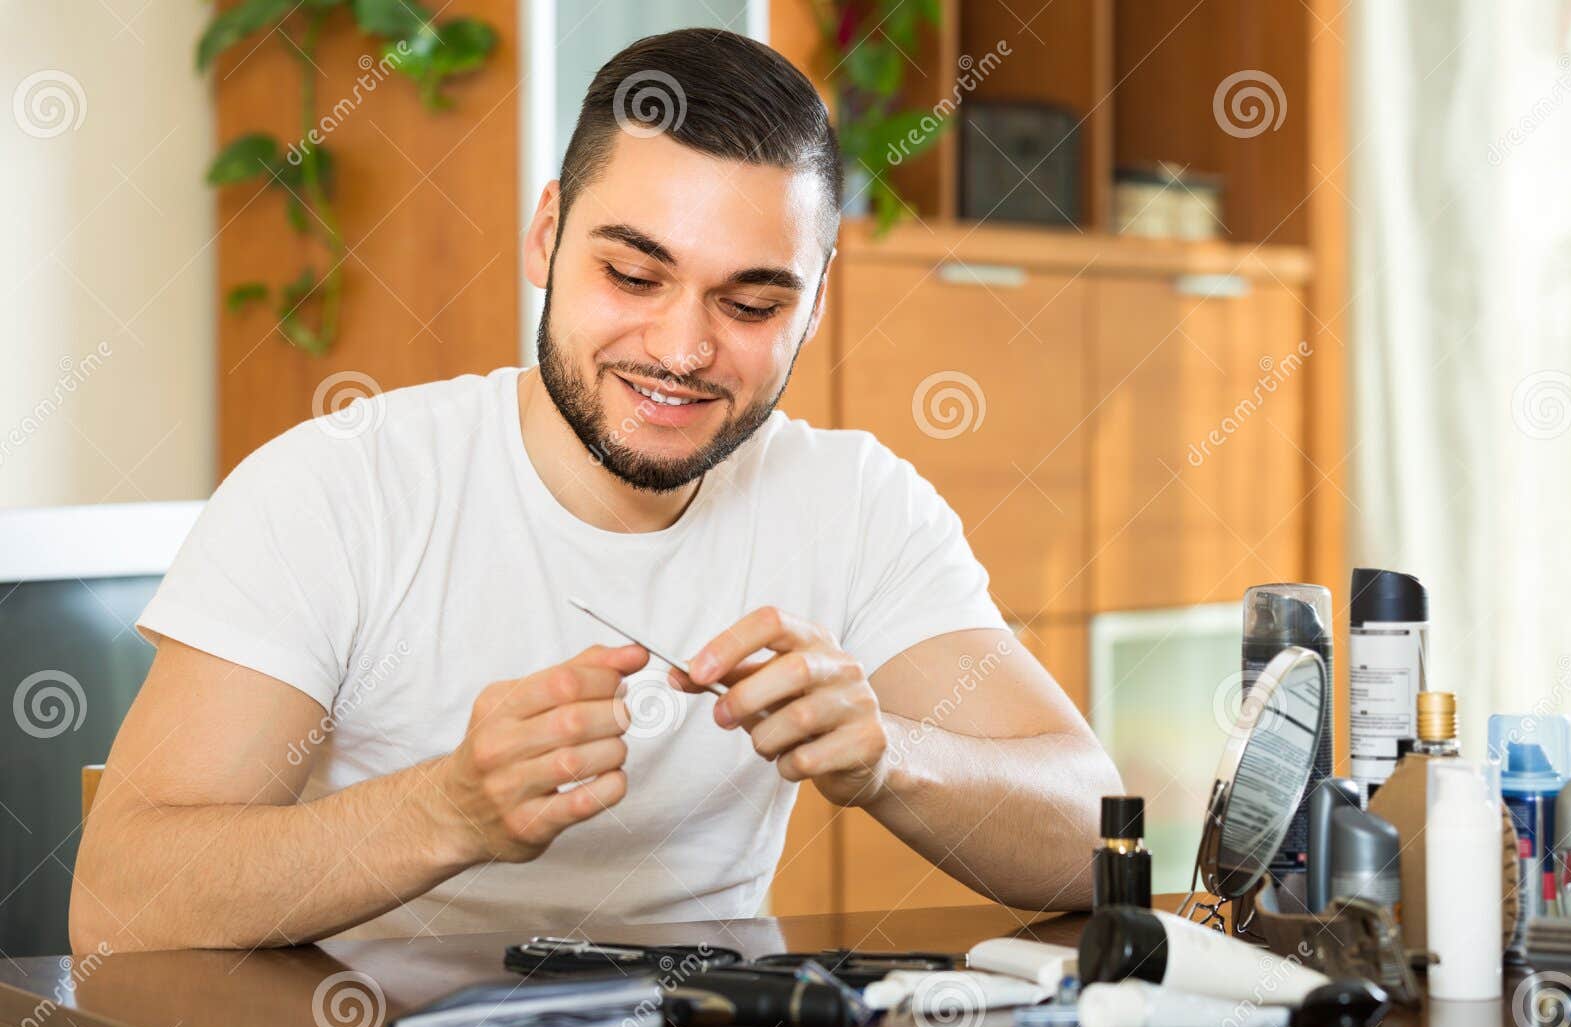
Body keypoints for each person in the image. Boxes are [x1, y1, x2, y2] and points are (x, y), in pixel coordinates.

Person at [70, 29, 1120, 952]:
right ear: (547, 235)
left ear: (811, 307)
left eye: (751, 302)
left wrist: (896, 757)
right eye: (632, 276)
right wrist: (446, 810)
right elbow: (120, 899)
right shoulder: (336, 490)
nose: (681, 348)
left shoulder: (853, 503)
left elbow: (1100, 838)